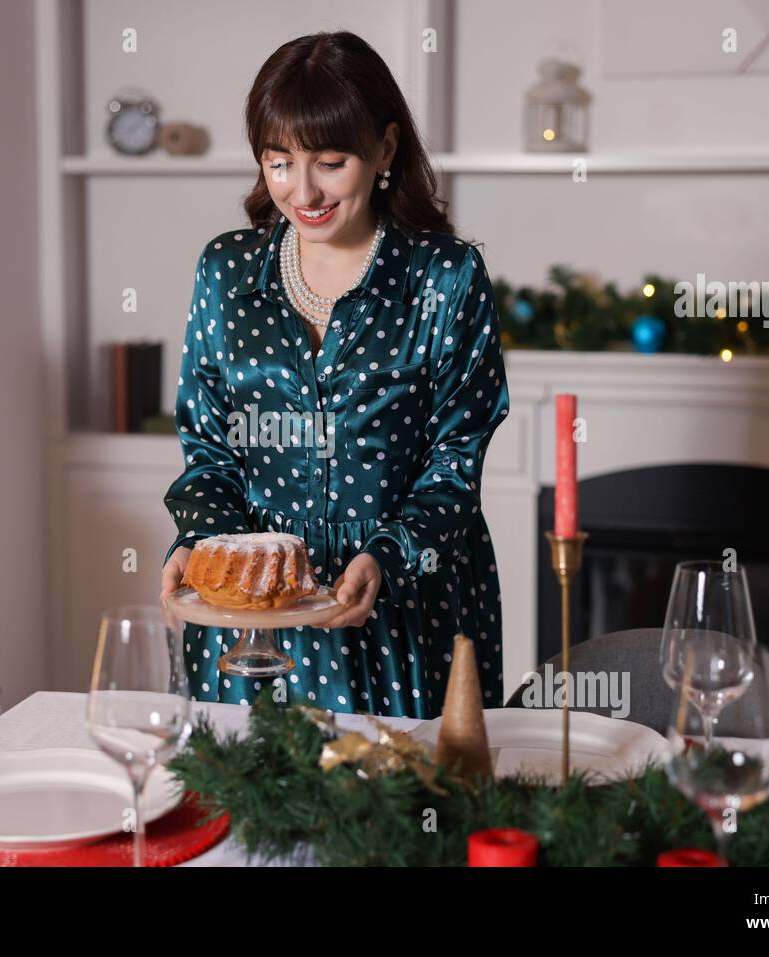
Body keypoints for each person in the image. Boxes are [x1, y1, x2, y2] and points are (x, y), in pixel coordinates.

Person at [160, 31, 510, 718]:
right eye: (279, 162)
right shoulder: (226, 272)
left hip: (403, 608)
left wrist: (386, 556)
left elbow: (454, 462)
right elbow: (207, 447)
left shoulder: (445, 277)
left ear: (384, 149)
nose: (303, 190)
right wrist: (203, 545)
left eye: (330, 161)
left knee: (402, 810)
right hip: (255, 622)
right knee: (248, 808)